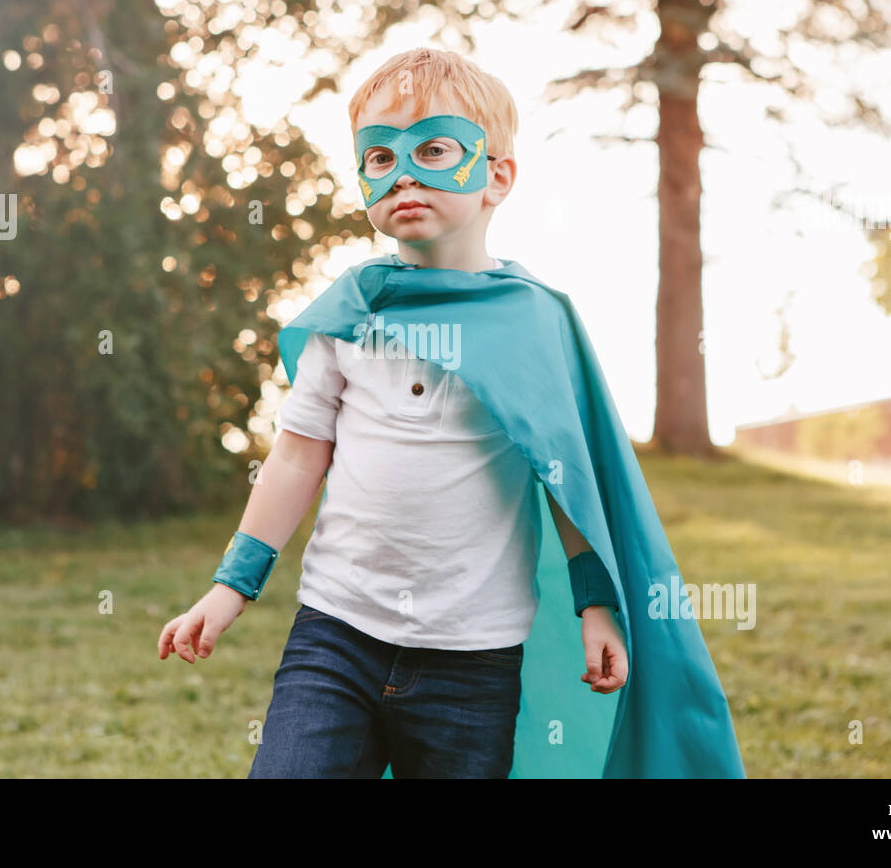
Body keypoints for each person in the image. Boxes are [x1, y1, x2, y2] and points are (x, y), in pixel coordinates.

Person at [158, 47, 745, 779]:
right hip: (337, 632)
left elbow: (565, 470)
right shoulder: (351, 311)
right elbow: (298, 454)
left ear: (496, 174)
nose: (402, 171)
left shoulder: (534, 322)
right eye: (378, 156)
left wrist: (596, 600)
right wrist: (232, 582)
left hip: (474, 659)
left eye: (434, 148)